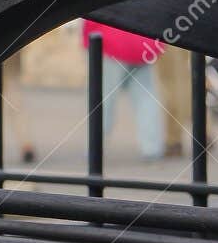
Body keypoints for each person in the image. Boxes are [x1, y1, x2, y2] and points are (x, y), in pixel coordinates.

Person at [82, 21, 164, 162]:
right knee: (146, 98)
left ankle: (95, 146)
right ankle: (152, 147)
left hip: (109, 43)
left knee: (103, 99)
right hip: (144, 44)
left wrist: (86, 41)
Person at [155, 44, 191, 158]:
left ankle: (174, 139)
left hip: (167, 37)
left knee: (171, 83)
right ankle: (204, 129)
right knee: (184, 77)